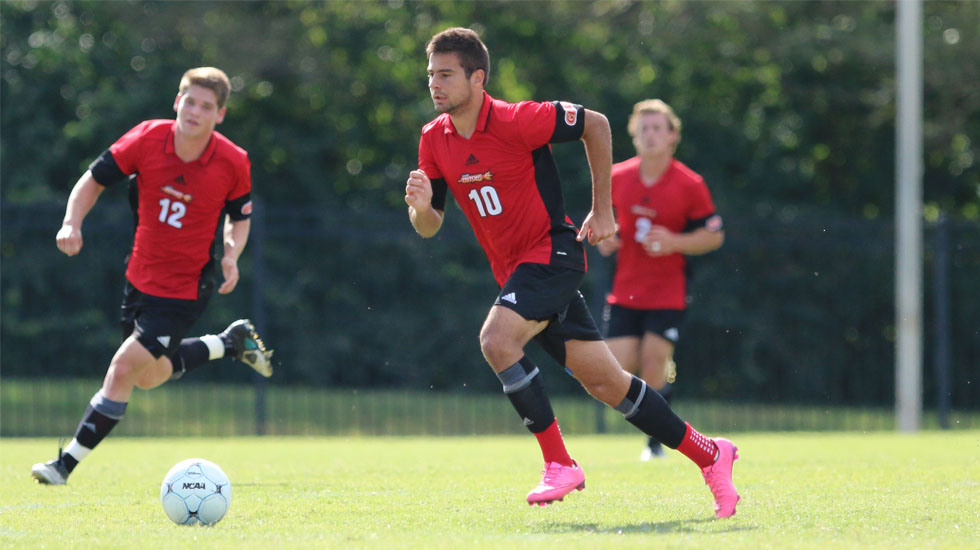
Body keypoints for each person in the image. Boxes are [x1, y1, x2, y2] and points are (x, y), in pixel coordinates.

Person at [405, 28, 740, 517]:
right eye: (431, 74)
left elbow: (597, 124)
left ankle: (559, 463)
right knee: (609, 384)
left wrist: (602, 209)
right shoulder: (434, 137)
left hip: (552, 253)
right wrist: (419, 208)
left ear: (477, 78)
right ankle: (710, 453)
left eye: (446, 74)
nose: (435, 84)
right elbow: (431, 225)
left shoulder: (519, 119)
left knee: (497, 341)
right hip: (518, 272)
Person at [32, 67, 274, 486]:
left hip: (185, 289)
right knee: (149, 376)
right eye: (190, 101)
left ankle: (63, 465)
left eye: (206, 106)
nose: (195, 111)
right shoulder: (146, 138)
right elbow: (92, 181)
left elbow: (240, 217)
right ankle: (227, 343)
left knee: (123, 368)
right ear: (176, 101)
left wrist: (232, 255)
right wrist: (71, 222)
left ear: (220, 115)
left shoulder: (233, 161)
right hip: (139, 277)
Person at [598, 99, 724, 461]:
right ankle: (659, 424)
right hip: (625, 291)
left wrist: (674, 241)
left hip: (668, 292)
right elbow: (600, 220)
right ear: (634, 136)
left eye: (657, 128)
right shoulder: (617, 176)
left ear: (672, 136)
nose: (650, 135)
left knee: (654, 363)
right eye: (643, 128)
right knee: (617, 371)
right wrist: (605, 237)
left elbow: (714, 236)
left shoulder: (690, 184)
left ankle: (656, 443)